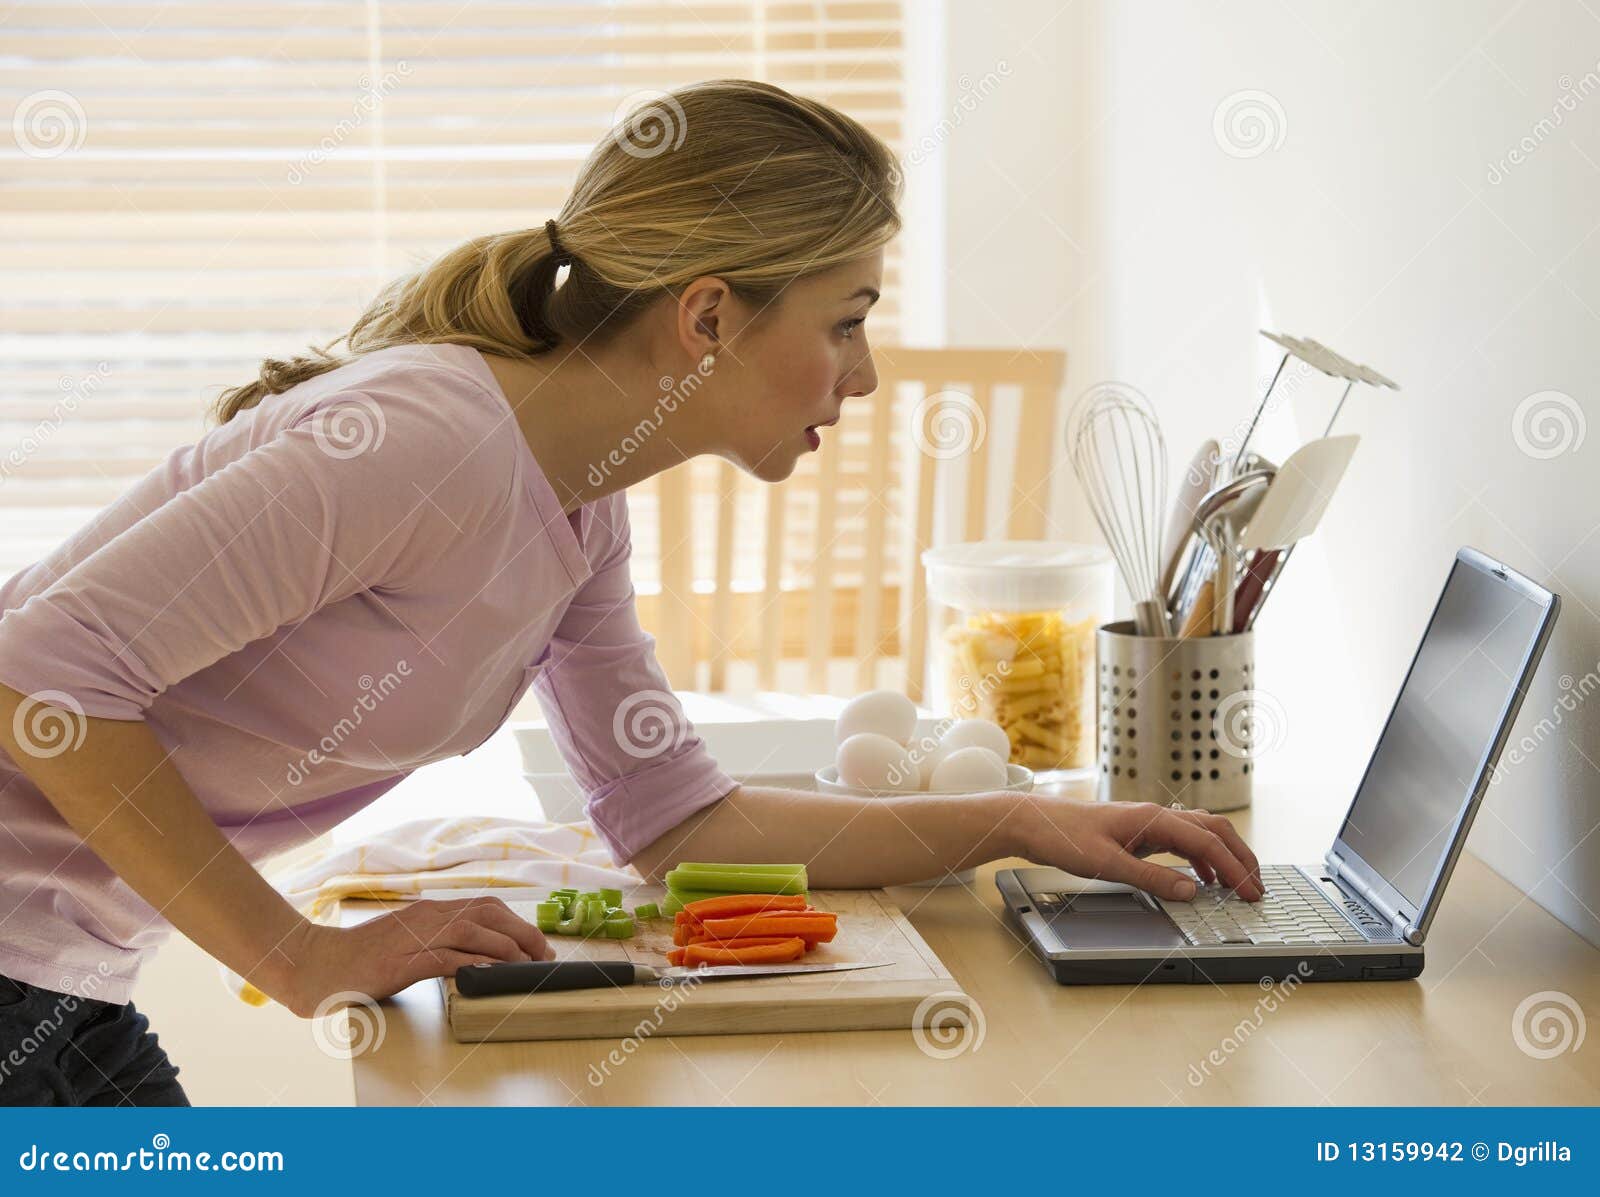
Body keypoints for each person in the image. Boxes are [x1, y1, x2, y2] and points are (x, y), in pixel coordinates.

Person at [0, 79, 1261, 1106]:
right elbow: (41, 676)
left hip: (67, 977)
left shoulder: (577, 506)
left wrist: (1017, 823)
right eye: (845, 322)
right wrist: (295, 955)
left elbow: (670, 821)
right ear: (708, 316)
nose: (863, 377)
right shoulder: (421, 441)